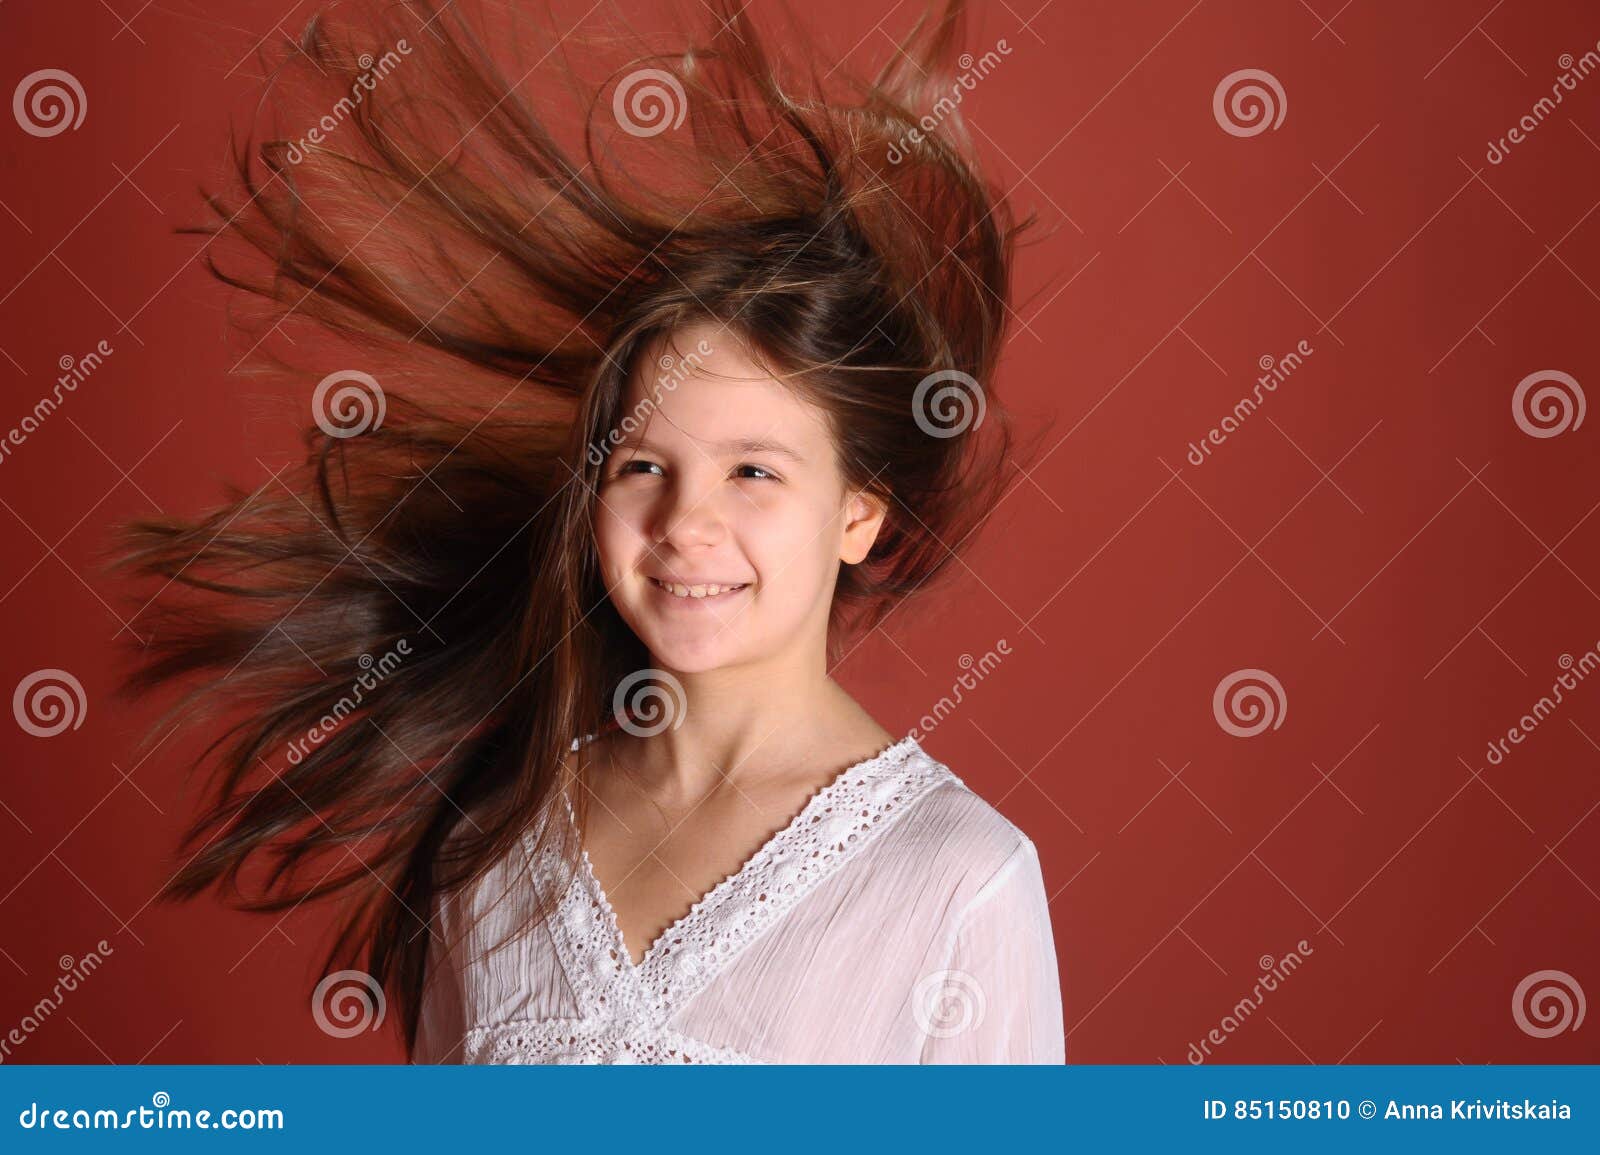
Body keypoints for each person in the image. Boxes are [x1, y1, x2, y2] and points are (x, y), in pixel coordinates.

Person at [112, 0, 1062, 1063]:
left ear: (857, 515)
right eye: (642, 466)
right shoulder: (495, 845)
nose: (684, 523)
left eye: (754, 470)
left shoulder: (955, 881)